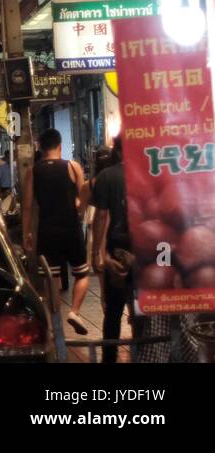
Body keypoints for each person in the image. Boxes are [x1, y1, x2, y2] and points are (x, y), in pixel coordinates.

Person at [24, 127, 92, 336]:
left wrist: (28, 233)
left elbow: (27, 205)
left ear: (41, 148)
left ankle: (55, 324)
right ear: (60, 146)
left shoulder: (33, 171)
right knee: (82, 273)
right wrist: (79, 211)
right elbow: (83, 197)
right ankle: (74, 312)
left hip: (47, 230)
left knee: (51, 278)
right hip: (70, 227)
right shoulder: (73, 167)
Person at [91, 138, 132, 363]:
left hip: (117, 250)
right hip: (149, 249)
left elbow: (101, 216)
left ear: (116, 150)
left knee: (114, 309)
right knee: (143, 305)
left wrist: (97, 251)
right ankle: (147, 351)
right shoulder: (150, 171)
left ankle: (109, 357)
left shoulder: (107, 177)